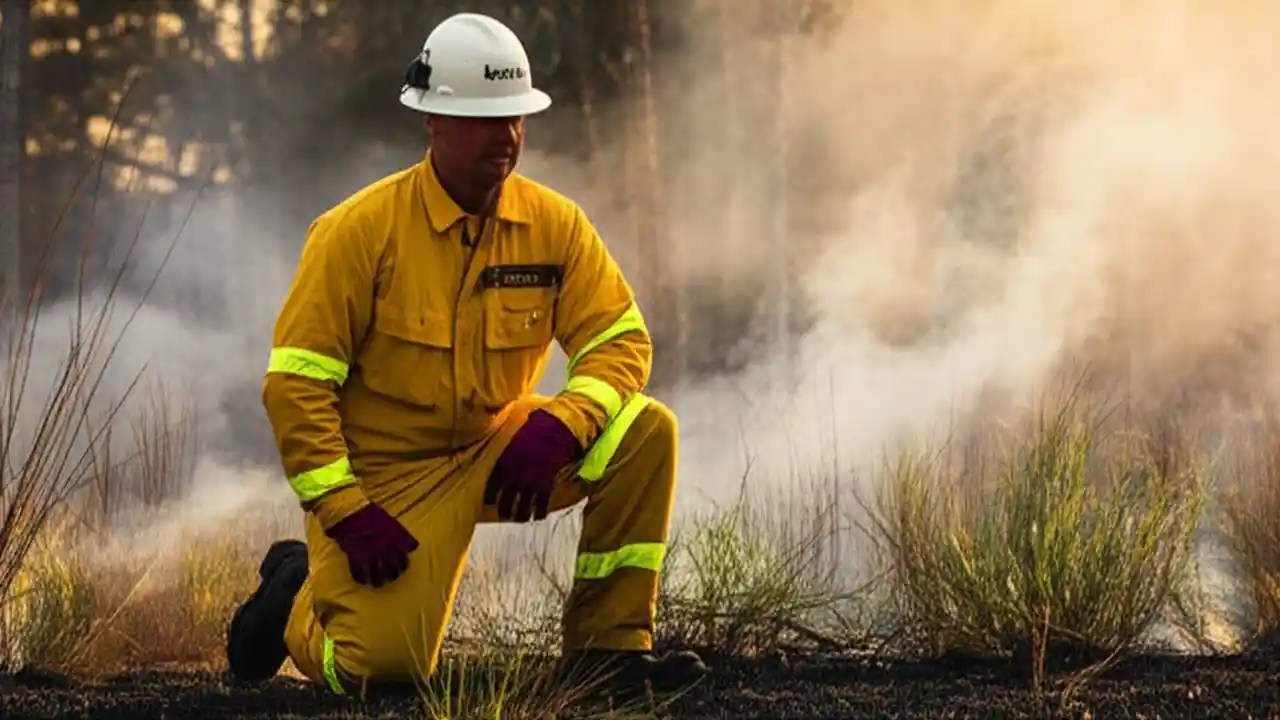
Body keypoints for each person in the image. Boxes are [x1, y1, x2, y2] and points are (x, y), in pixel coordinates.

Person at [224, 11, 708, 698]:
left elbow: (619, 340)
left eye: (515, 116)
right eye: (485, 118)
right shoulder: (357, 232)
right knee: (377, 672)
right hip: (386, 480)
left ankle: (608, 653)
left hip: (497, 448)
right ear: (434, 122)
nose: (506, 136)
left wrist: (563, 422)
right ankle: (298, 597)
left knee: (645, 431)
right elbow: (294, 386)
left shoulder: (555, 224)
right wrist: (344, 508)